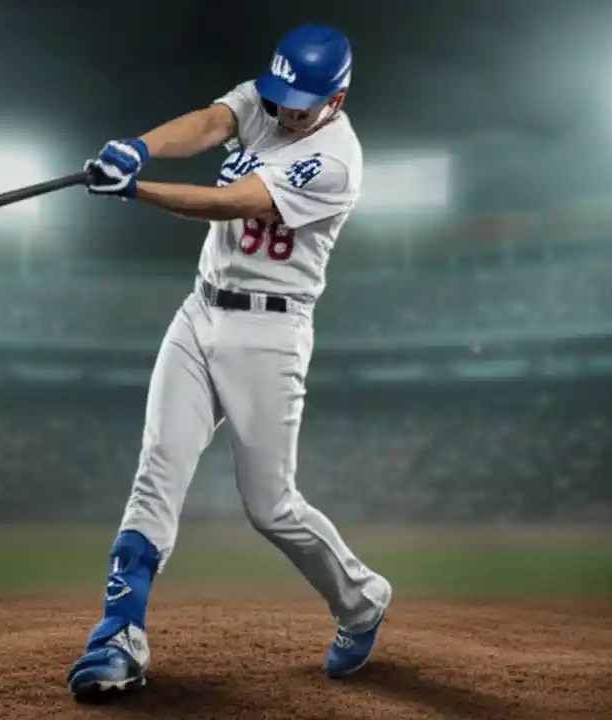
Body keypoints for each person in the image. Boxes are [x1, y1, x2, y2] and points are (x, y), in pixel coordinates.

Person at [66, 23, 392, 700]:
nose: (289, 109)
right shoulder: (266, 103)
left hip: (269, 335)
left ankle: (362, 601)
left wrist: (138, 189)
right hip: (200, 311)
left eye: (306, 99)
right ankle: (118, 637)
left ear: (338, 96)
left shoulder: (338, 158)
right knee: (156, 471)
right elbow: (211, 123)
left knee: (271, 507)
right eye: (283, 96)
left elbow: (235, 201)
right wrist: (139, 147)